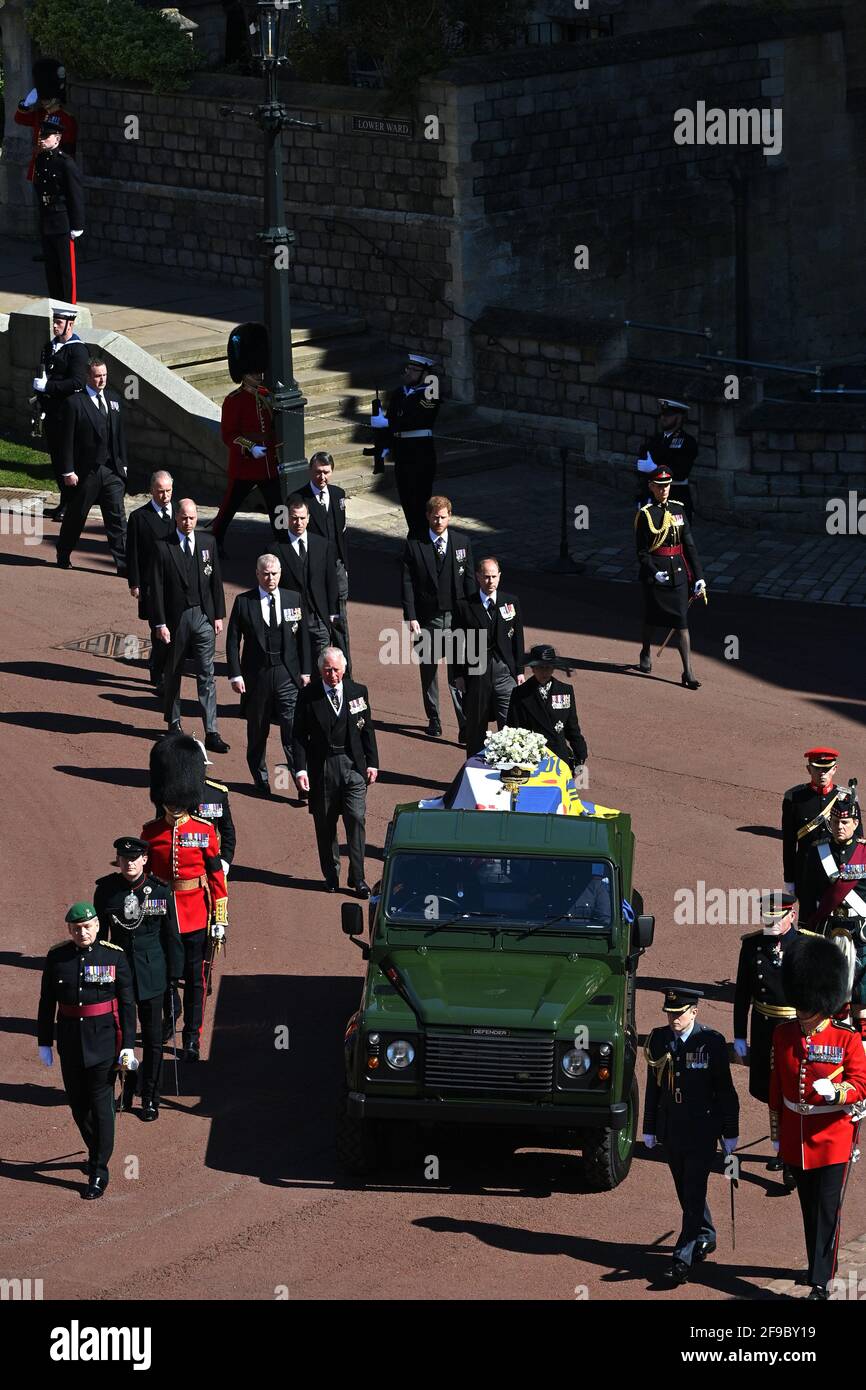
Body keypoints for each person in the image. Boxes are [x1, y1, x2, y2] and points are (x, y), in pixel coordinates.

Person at [770, 933, 866, 1299]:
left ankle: (820, 1282)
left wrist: (838, 1092)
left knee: (828, 1211)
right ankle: (818, 1264)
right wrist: (777, 1134)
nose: (800, 1011)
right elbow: (777, 1088)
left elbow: (861, 1083)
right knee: (809, 1210)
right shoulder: (783, 1035)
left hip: (833, 1137)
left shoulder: (846, 1039)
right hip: (797, 1135)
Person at [37, 902, 136, 1199]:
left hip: (104, 1043)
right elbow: (46, 1003)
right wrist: (44, 1041)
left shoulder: (114, 957)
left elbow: (127, 1005)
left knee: (102, 1106)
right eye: (77, 929)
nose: (83, 932)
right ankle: (97, 1149)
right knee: (78, 1106)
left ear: (96, 926)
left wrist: (128, 1046)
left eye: (88, 926)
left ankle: (97, 1171)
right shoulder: (57, 957)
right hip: (70, 1041)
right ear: (69, 930)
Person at [642, 987, 739, 1287]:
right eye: (670, 1013)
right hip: (672, 1129)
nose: (674, 1018)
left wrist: (730, 1132)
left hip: (701, 1131)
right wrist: (648, 1127)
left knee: (694, 1192)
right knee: (685, 1190)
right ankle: (706, 1235)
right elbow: (653, 1087)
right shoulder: (659, 1039)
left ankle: (682, 1259)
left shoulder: (711, 1042)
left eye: (680, 1013)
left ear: (694, 1012)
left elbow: (725, 1091)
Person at [142, 735, 228, 1061]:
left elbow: (216, 875)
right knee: (163, 975)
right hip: (162, 911)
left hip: (195, 910)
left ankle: (192, 1036)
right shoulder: (150, 832)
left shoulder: (204, 831)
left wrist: (220, 917)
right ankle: (168, 1019)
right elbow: (146, 879)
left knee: (195, 979)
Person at [93, 836, 184, 1121]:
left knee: (154, 1040)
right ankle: (127, 1089)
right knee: (123, 1037)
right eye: (124, 858)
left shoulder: (159, 891)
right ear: (118, 861)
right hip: (119, 976)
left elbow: (171, 937)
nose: (129, 863)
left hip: (153, 975)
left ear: (145, 859)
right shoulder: (107, 891)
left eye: (135, 858)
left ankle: (150, 1097)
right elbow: (99, 939)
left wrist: (174, 979)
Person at [293, 647, 378, 896]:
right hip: (322, 767)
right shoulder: (308, 696)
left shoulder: (357, 692)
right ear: (320, 671)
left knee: (356, 819)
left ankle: (358, 876)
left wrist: (372, 763)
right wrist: (300, 770)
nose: (332, 675)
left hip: (352, 766)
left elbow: (367, 730)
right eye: (327, 670)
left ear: (344, 668)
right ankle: (331, 875)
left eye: (336, 670)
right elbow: (298, 735)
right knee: (326, 824)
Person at [226, 553, 312, 796]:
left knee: (292, 729)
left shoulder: (293, 599)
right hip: (257, 676)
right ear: (257, 574)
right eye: (265, 573)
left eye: (274, 573)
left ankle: (301, 780)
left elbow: (304, 637)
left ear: (280, 574)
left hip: (287, 674)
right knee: (257, 730)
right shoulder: (244, 602)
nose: (270, 578)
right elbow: (233, 641)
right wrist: (235, 674)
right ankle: (260, 778)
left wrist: (306, 671)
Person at [150, 498, 229, 752]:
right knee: (173, 672)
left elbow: (216, 580)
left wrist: (218, 615)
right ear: (176, 517)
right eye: (184, 518)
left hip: (204, 616)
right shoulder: (163, 547)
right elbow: (158, 590)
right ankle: (173, 724)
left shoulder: (208, 542)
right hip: (176, 619)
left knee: (207, 673)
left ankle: (212, 731)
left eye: (193, 518)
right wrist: (160, 623)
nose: (188, 522)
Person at [733, 890, 800, 1185]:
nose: (770, 924)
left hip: (796, 1029)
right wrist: (738, 1036)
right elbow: (742, 995)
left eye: (777, 918)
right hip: (763, 1027)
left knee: (793, 1091)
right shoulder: (752, 946)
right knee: (770, 1093)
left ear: (792, 916)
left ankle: (790, 1155)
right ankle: (780, 1149)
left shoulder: (806, 945)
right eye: (766, 918)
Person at [401, 495, 474, 741]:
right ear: (427, 517)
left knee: (458, 672)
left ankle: (464, 723)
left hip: (456, 618)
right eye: (434, 517)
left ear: (450, 516)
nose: (439, 521)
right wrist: (411, 616)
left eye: (443, 517)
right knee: (429, 671)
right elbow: (407, 583)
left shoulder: (462, 542)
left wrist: (474, 613)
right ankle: (434, 718)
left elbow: (470, 581)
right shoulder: (415, 545)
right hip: (427, 619)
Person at [799, 789, 866, 1039]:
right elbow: (807, 896)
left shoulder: (865, 852)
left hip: (860, 931)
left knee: (861, 995)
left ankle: (862, 1047)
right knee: (830, 991)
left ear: (855, 824)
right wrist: (804, 931)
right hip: (828, 928)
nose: (839, 827)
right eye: (835, 821)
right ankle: (836, 1041)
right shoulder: (817, 852)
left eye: (845, 822)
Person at [634, 464, 706, 688]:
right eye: (660, 486)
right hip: (656, 574)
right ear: (651, 487)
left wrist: (699, 576)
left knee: (681, 624)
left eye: (667, 486)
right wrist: (655, 573)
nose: (664, 490)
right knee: (652, 619)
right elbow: (642, 553)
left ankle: (688, 672)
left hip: (678, 575)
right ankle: (645, 651)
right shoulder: (645, 514)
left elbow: (689, 545)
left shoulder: (679, 510)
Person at [56, 356, 128, 575]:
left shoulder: (114, 400)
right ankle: (64, 552)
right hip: (85, 472)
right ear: (88, 377)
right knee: (76, 516)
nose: (102, 380)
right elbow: (65, 440)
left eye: (104, 375)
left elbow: (120, 436)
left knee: (117, 518)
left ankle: (123, 564)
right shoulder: (74, 403)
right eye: (97, 376)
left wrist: (123, 465)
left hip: (111, 471)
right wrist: (68, 471)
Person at [457, 556, 525, 757]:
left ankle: (509, 775)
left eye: (494, 577)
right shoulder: (464, 605)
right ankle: (473, 774)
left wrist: (519, 671)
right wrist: (458, 674)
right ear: (478, 577)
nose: (490, 582)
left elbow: (518, 639)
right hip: (476, 674)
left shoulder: (511, 602)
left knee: (510, 726)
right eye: (486, 577)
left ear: (500, 577)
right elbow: (456, 643)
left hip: (505, 672)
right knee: (476, 728)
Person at [149, 731, 237, 876]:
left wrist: (225, 860)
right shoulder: (171, 793)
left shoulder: (217, 794)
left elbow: (228, 831)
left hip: (209, 858)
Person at [31, 305, 88, 522]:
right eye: (54, 321)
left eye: (59, 322)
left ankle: (72, 504)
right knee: (56, 458)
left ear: (70, 324)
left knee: (68, 460)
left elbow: (77, 382)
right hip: (51, 413)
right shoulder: (49, 347)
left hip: (68, 414)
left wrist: (48, 387)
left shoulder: (78, 351)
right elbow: (43, 372)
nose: (55, 325)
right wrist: (38, 392)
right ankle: (65, 500)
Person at [214, 372, 281, 549]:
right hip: (245, 465)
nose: (258, 376)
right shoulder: (233, 400)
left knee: (278, 507)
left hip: (267, 462)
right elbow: (229, 434)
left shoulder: (266, 394)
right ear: (243, 376)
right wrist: (250, 447)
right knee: (229, 506)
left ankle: (283, 542)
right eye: (253, 373)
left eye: (259, 372)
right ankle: (216, 539)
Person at [782, 747, 858, 899]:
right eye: (817, 769)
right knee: (809, 921)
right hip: (806, 872)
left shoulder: (847, 797)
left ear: (835, 769)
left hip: (838, 873)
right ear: (809, 769)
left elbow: (857, 840)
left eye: (827, 769)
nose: (822, 773)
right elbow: (789, 843)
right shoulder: (793, 798)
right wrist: (789, 879)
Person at [275, 495, 342, 666]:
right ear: (287, 518)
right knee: (295, 662)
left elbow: (331, 580)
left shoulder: (323, 545)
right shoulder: (275, 548)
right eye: (294, 518)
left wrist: (333, 612)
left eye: (302, 518)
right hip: (291, 616)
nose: (298, 523)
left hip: (317, 614)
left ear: (308, 518)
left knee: (322, 663)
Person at [380, 352, 441, 535]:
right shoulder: (400, 392)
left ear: (425, 374)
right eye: (407, 369)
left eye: (413, 370)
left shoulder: (431, 392)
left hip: (420, 452)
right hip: (402, 451)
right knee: (406, 498)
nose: (408, 373)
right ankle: (414, 536)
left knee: (420, 498)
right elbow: (391, 417)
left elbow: (416, 418)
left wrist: (391, 422)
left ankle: (421, 537)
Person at [126, 471, 175, 695]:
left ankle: (164, 667)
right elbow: (133, 553)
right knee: (159, 629)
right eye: (160, 491)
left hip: (176, 584)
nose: (165, 496)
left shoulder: (180, 515)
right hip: (151, 585)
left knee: (175, 629)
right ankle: (159, 671)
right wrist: (134, 583)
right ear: (151, 491)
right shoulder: (139, 517)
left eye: (168, 491)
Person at [299, 452, 350, 667]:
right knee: (314, 619)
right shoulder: (299, 499)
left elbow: (342, 532)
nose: (322, 477)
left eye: (326, 472)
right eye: (318, 472)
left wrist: (344, 564)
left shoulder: (338, 494)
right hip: (313, 569)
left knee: (340, 620)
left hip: (337, 566)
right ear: (311, 471)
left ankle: (344, 671)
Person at [507, 644, 587, 773]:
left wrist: (580, 753)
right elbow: (513, 729)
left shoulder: (565, 691)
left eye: (548, 667)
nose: (545, 672)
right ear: (532, 668)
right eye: (540, 667)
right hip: (532, 757)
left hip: (559, 757)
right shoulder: (520, 694)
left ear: (554, 668)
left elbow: (572, 727)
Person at [32, 115, 84, 303]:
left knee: (65, 270)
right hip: (47, 218)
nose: (42, 138)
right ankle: (55, 303)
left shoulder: (66, 163)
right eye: (41, 135)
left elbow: (75, 194)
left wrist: (77, 225)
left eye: (47, 136)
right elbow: (39, 188)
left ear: (58, 138)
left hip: (62, 221)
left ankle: (69, 309)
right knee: (51, 268)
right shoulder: (41, 160)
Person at [15, 58, 78, 188]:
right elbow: (20, 119)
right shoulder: (40, 114)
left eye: (46, 97)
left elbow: (67, 150)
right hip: (39, 172)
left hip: (56, 173)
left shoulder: (66, 118)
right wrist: (26, 104)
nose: (43, 101)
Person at [635, 398, 698, 521]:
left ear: (679, 418)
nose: (663, 418)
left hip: (675, 498)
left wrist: (655, 470)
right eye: (662, 414)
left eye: (668, 415)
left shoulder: (687, 442)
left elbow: (681, 473)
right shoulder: (655, 439)